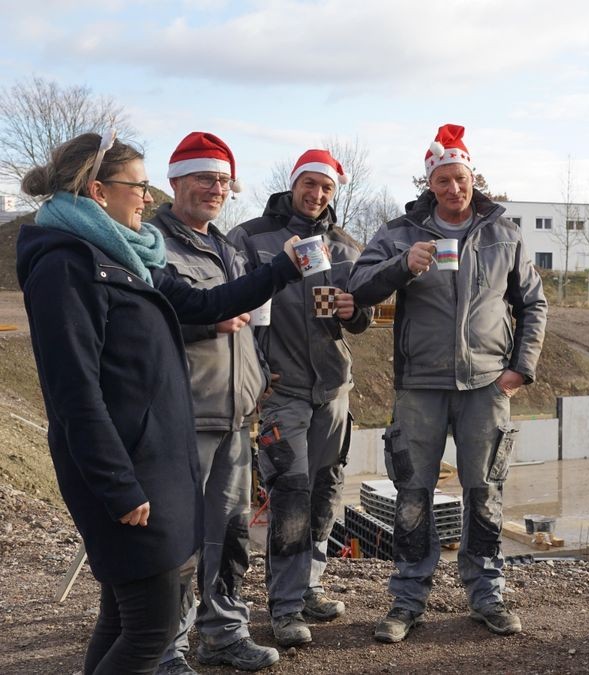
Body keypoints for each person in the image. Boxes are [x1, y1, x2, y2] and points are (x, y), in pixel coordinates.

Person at [15, 132, 299, 675]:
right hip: (127, 469)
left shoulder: (126, 257)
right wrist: (117, 484)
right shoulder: (66, 265)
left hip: (155, 460)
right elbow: (73, 392)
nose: (149, 199)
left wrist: (281, 268)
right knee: (149, 627)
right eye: (139, 186)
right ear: (98, 191)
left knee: (125, 619)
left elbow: (205, 302)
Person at [348, 123, 547, 643]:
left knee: (484, 494)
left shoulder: (504, 232)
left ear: (472, 177)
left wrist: (520, 368)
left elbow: (533, 303)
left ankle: (486, 596)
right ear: (429, 183)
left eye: (461, 179)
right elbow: (360, 287)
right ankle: (407, 600)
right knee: (412, 493)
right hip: (420, 384)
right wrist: (400, 265)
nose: (453, 189)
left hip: (486, 384)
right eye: (443, 181)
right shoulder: (401, 232)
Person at [227, 149, 374, 648]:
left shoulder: (345, 245)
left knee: (326, 488)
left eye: (326, 188)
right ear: (293, 184)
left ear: (334, 193)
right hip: (280, 387)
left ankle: (308, 586)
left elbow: (362, 318)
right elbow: (230, 306)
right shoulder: (250, 237)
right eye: (309, 184)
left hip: (332, 387)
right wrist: (254, 374)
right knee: (290, 493)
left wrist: (356, 312)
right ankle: (285, 607)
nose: (316, 195)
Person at [150, 132, 279, 674]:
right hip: (181, 416)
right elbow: (147, 318)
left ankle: (224, 631)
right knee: (176, 539)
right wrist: (205, 320)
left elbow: (246, 324)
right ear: (176, 180)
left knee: (228, 535)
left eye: (224, 180)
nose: (216, 189)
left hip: (233, 418)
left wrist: (259, 376)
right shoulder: (151, 242)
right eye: (205, 178)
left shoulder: (226, 247)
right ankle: (163, 648)